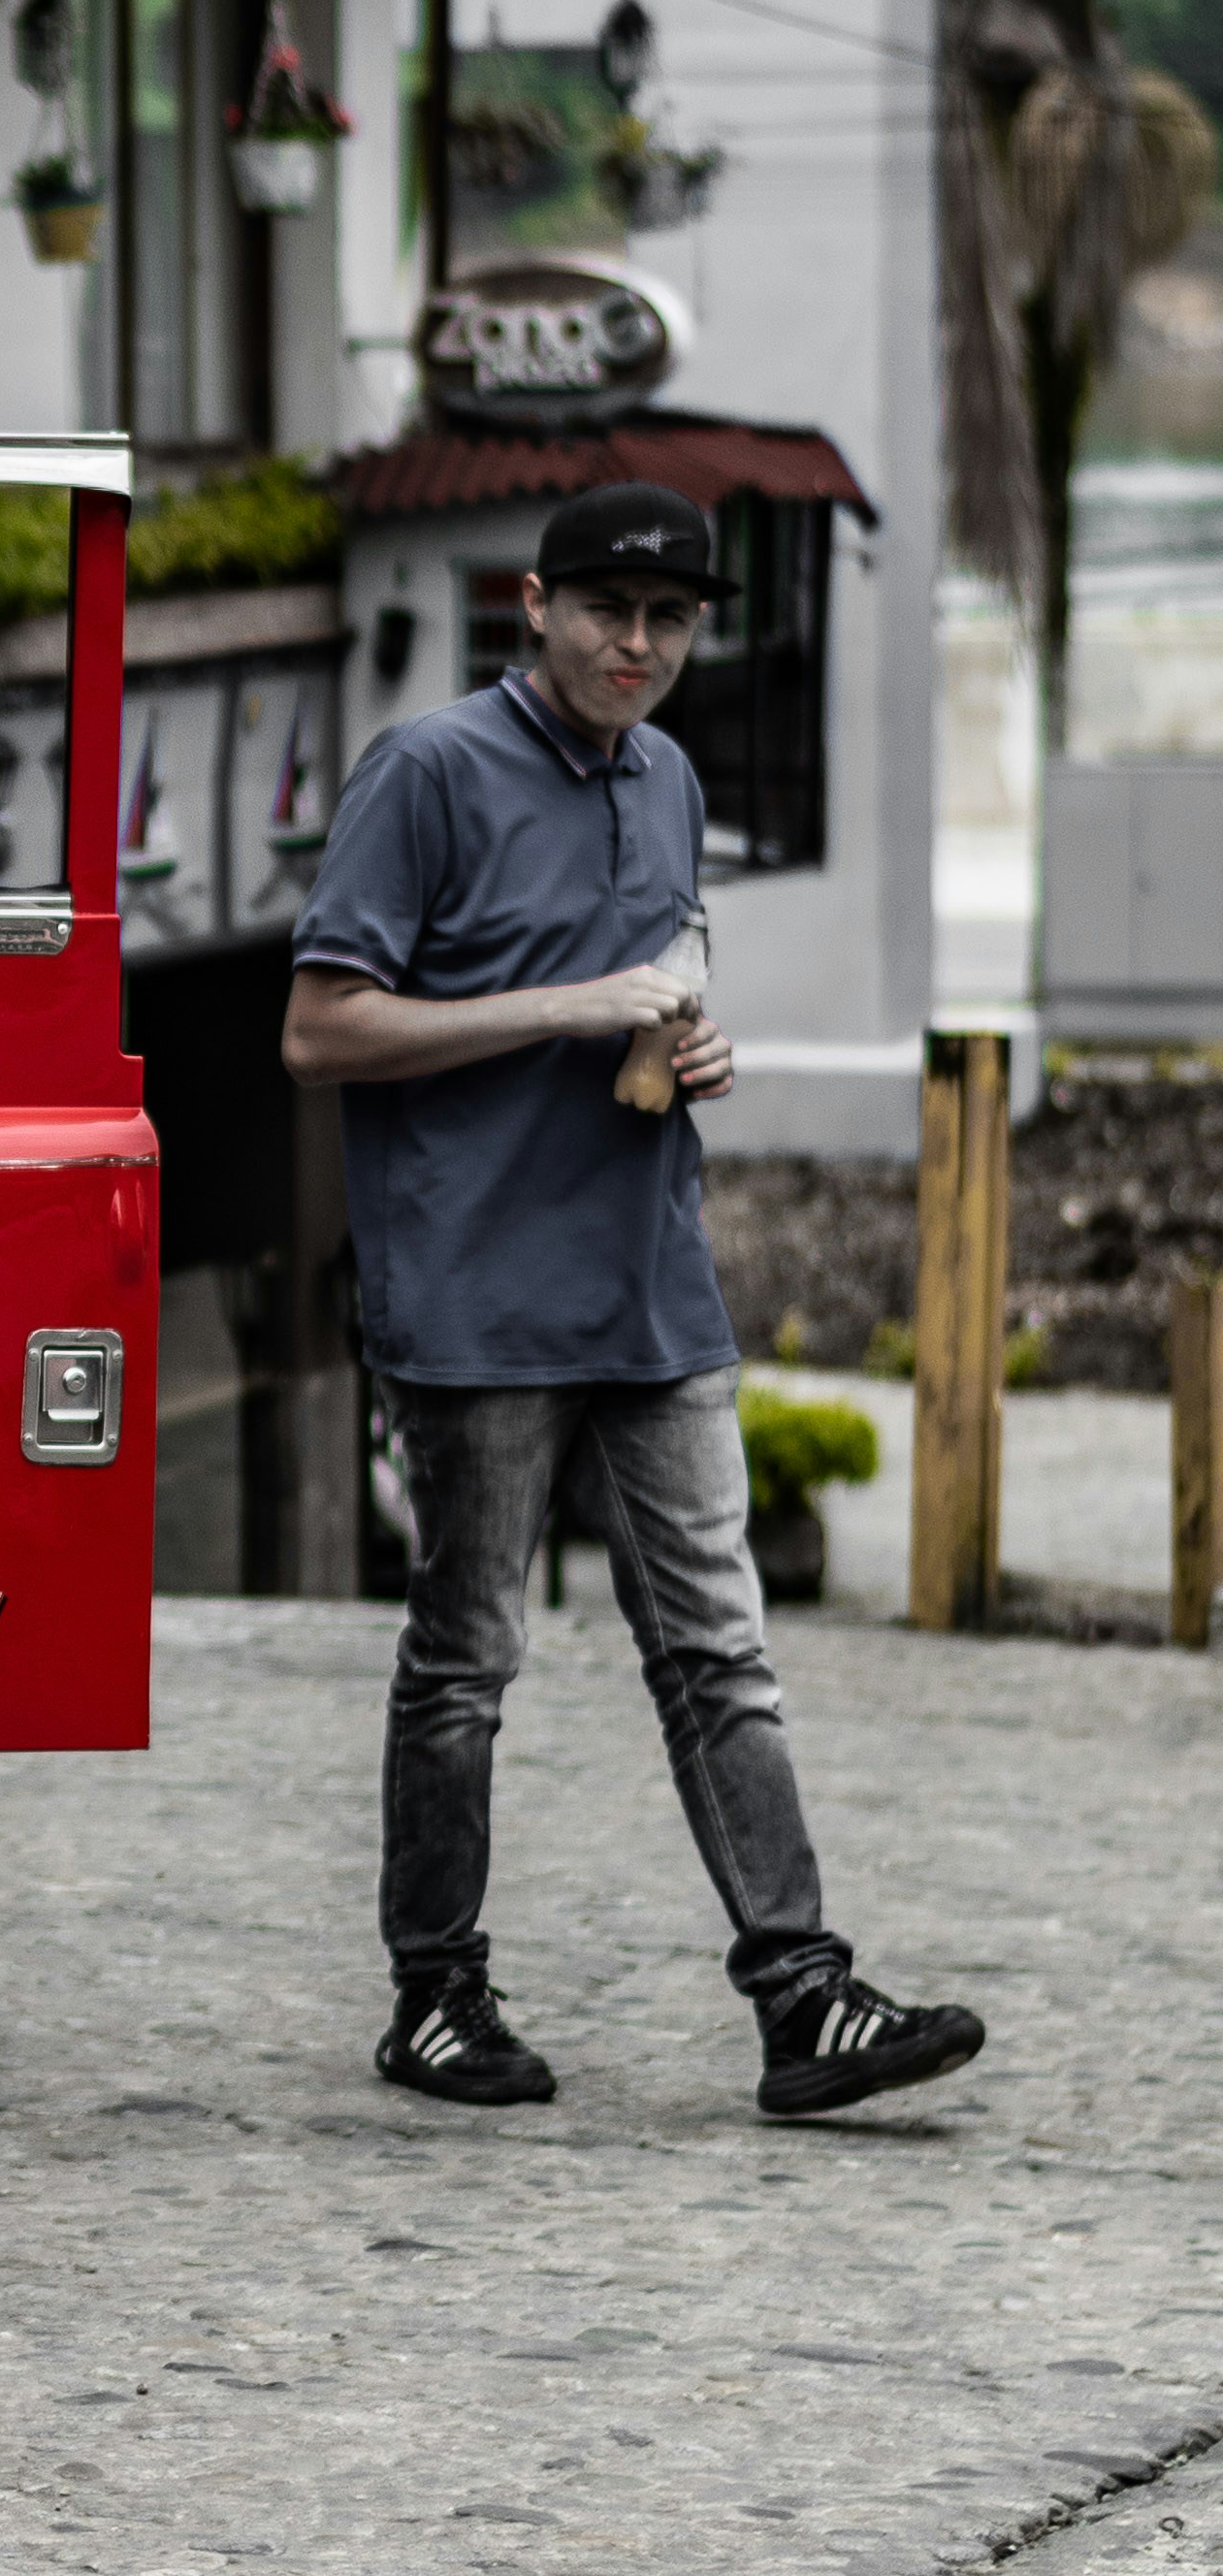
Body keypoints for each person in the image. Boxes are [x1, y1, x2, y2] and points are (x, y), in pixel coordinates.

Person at [281, 482, 984, 2122]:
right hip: (471, 1297)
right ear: (532, 604)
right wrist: (564, 1007)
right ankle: (435, 1997)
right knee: (469, 1656)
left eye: (670, 622)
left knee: (722, 1650)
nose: (640, 646)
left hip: (652, 1287)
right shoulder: (428, 772)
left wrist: (692, 1043)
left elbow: (656, 981)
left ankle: (804, 1998)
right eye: (610, 612)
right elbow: (321, 1032)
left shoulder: (666, 774)